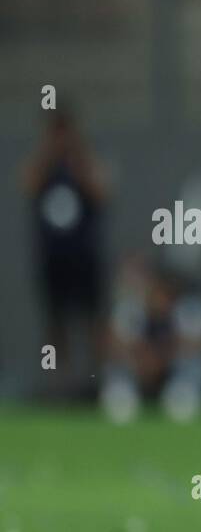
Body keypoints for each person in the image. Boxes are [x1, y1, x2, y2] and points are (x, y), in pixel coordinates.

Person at [21, 108, 108, 399]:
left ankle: (99, 383)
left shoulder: (82, 163)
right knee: (56, 326)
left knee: (92, 322)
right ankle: (59, 384)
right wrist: (48, 153)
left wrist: (77, 159)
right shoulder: (45, 167)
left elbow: (101, 191)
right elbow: (27, 185)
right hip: (53, 260)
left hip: (83, 259)